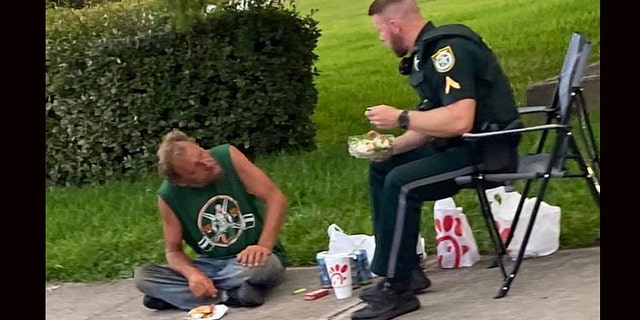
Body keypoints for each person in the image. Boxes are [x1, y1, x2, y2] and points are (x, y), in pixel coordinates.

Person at [352, 0, 522, 319]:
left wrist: (401, 117)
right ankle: (406, 268)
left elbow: (459, 121)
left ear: (395, 26)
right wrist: (391, 147)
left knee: (401, 183)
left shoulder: (447, 52)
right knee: (384, 166)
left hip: (487, 150)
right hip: (463, 144)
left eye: (380, 32)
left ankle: (397, 290)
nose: (380, 39)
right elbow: (433, 123)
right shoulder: (427, 54)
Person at [134, 129, 288, 311]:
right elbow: (173, 252)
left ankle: (176, 296)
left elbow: (275, 198)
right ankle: (229, 295)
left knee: (263, 267)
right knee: (143, 277)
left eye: (201, 153)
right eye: (196, 168)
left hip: (251, 260)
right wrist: (193, 275)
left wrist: (263, 246)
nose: (207, 163)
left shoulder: (228, 156)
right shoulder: (169, 196)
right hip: (210, 264)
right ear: (181, 182)